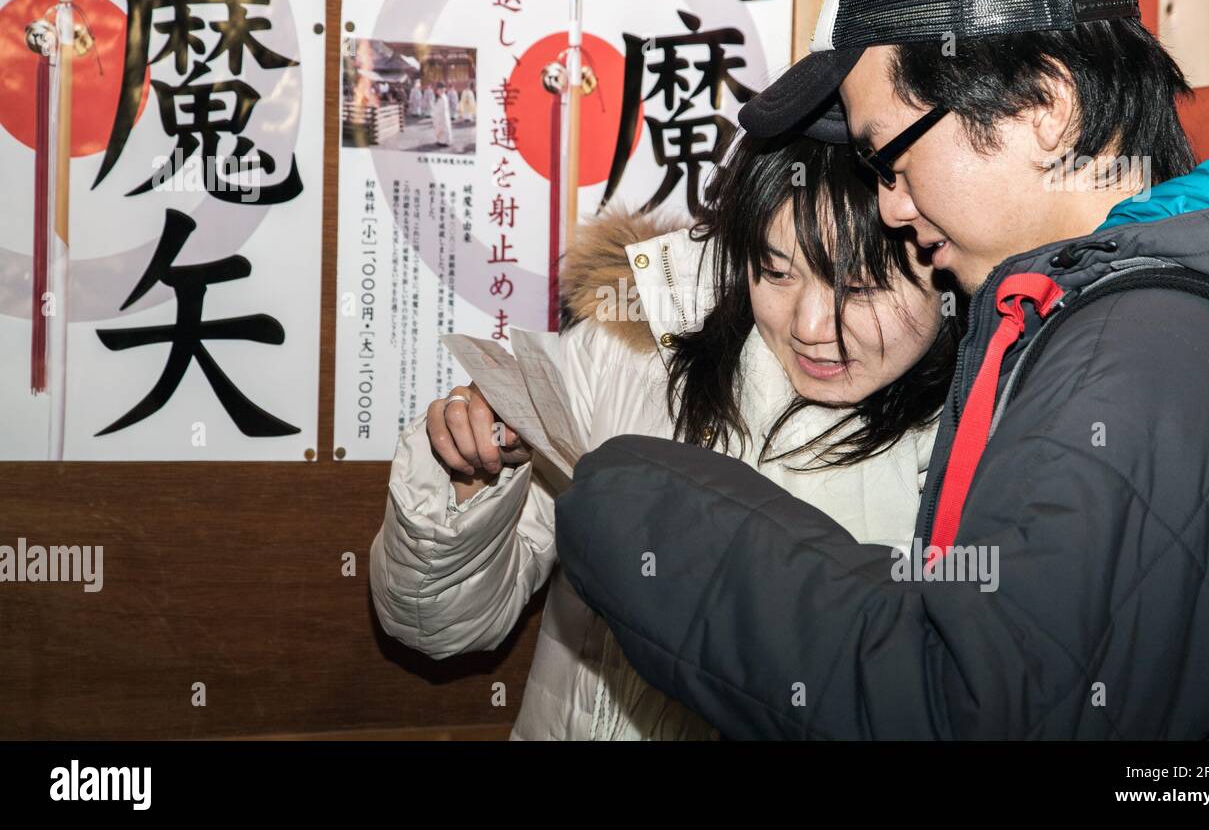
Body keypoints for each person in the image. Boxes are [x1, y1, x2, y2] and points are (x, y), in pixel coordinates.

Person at [553, 0, 1209, 739]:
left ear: (1044, 108)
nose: (894, 210)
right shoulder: (1187, 291)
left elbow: (972, 709)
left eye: (893, 160)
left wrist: (634, 509)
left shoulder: (1134, 355)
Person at [368, 131, 962, 739]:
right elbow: (436, 624)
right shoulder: (634, 351)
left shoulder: (982, 450)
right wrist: (470, 484)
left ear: (945, 266)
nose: (810, 326)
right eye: (775, 272)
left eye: (858, 288)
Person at [429, 81, 453, 146]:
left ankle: (443, 142)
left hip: (442, 116)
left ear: (441, 90)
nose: (437, 91)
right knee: (442, 128)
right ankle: (442, 141)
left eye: (438, 89)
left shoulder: (442, 98)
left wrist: (433, 107)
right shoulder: (443, 96)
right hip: (443, 116)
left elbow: (439, 109)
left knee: (442, 128)